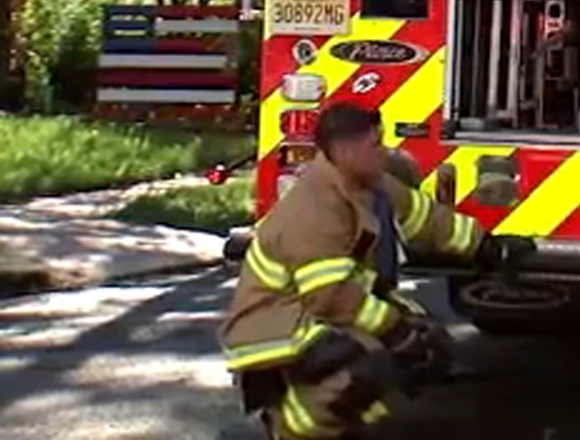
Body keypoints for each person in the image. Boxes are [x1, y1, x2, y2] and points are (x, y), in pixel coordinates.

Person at [218, 102, 535, 438]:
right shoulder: (315, 206)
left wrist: (488, 246)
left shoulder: (371, 185)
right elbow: (332, 296)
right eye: (375, 145)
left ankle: (338, 423)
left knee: (426, 348)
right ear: (345, 150)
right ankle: (289, 429)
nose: (384, 151)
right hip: (276, 329)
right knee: (368, 367)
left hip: (311, 316)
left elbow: (427, 219)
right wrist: (396, 330)